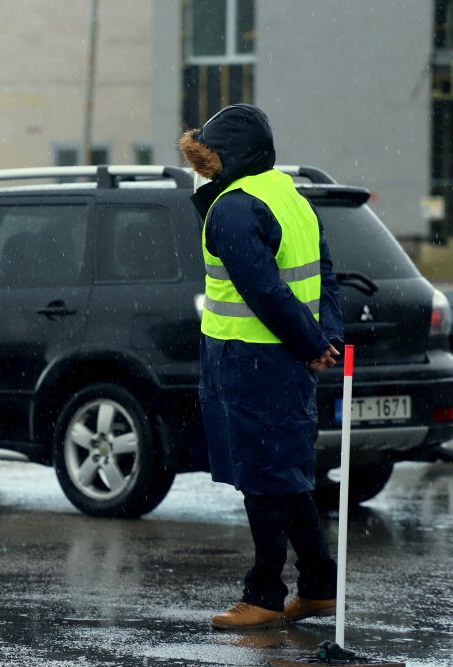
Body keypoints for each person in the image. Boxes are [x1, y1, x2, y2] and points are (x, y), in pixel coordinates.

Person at [178, 104, 344, 630]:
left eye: (210, 159)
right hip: (283, 360)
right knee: (286, 473)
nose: (204, 169)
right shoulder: (289, 197)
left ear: (232, 158)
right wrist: (324, 341)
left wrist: (309, 344)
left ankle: (265, 594)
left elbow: (265, 291)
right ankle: (318, 587)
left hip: (250, 360)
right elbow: (326, 276)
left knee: (264, 477)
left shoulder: (233, 208)